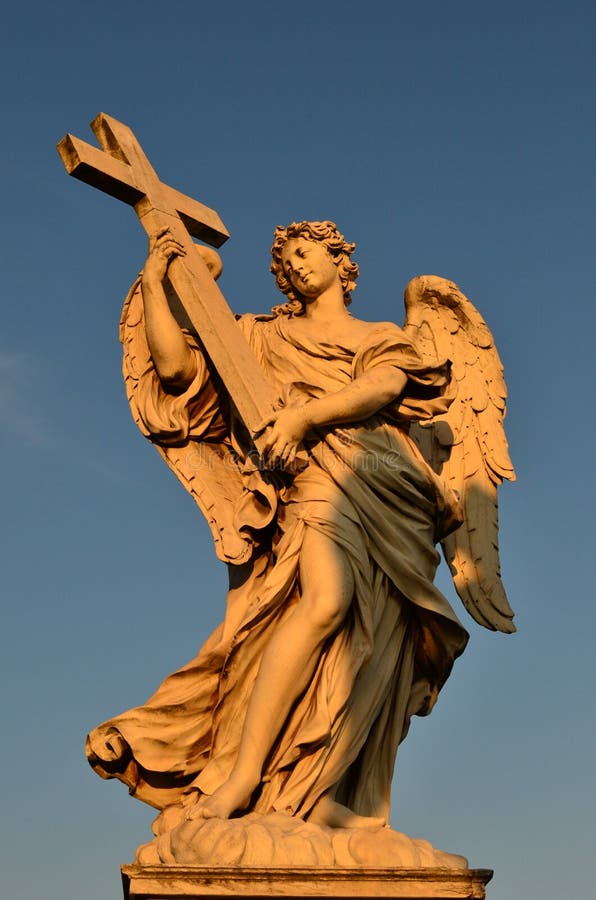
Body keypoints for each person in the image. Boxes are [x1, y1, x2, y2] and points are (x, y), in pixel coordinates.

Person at [86, 221, 469, 829]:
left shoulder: (379, 335)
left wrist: (304, 418)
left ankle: (328, 794)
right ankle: (242, 777)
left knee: (370, 644)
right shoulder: (257, 338)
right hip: (317, 481)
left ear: (341, 261)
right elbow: (179, 371)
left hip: (385, 481)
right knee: (326, 602)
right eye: (285, 259)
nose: (295, 265)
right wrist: (157, 283)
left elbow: (385, 385)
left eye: (305, 251)